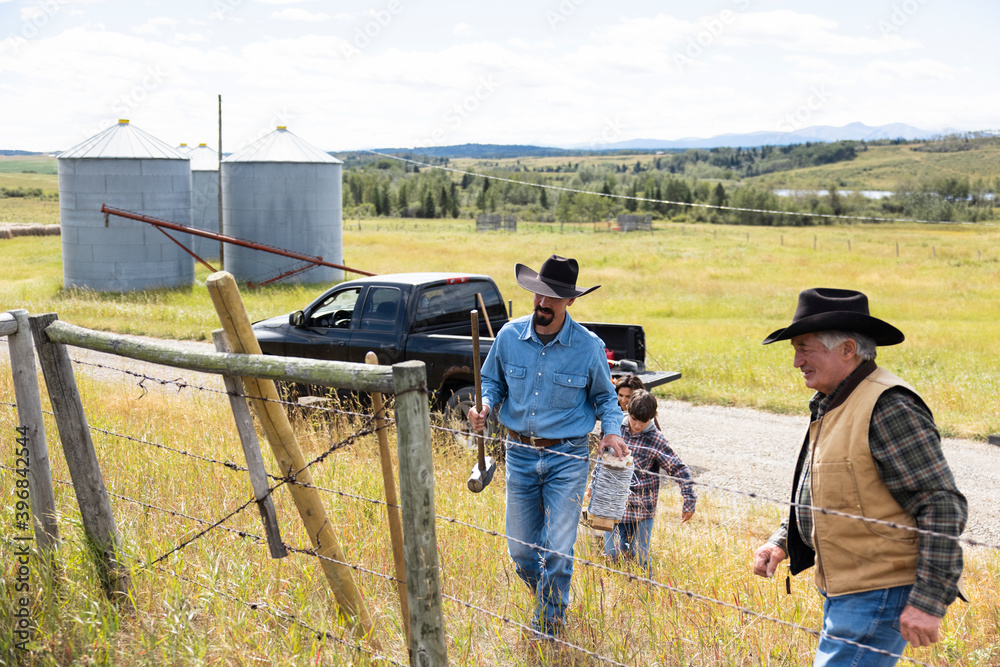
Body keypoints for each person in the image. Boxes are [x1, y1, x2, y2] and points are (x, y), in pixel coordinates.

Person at [752, 288, 967, 666]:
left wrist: (929, 601)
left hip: (880, 592)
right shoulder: (837, 401)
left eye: (805, 348)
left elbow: (941, 505)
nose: (797, 361)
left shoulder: (889, 405)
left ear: (847, 349)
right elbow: (833, 491)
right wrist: (783, 539)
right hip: (853, 591)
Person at [468, 254, 629, 639]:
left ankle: (549, 626)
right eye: (538, 294)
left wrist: (611, 431)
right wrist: (485, 405)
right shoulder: (509, 336)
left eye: (553, 298)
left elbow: (607, 399)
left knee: (558, 551)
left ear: (569, 302)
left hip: (567, 458)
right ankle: (551, 597)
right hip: (520, 454)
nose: (542, 303)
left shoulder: (588, 347)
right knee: (523, 554)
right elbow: (491, 383)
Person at [601, 390, 695, 573]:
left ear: (652, 418)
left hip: (642, 509)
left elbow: (678, 469)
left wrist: (689, 500)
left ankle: (646, 586)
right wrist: (593, 487)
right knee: (612, 553)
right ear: (627, 411)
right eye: (633, 419)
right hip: (613, 505)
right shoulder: (614, 430)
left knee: (640, 555)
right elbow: (601, 463)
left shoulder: (656, 440)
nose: (636, 425)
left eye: (642, 422)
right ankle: (621, 584)